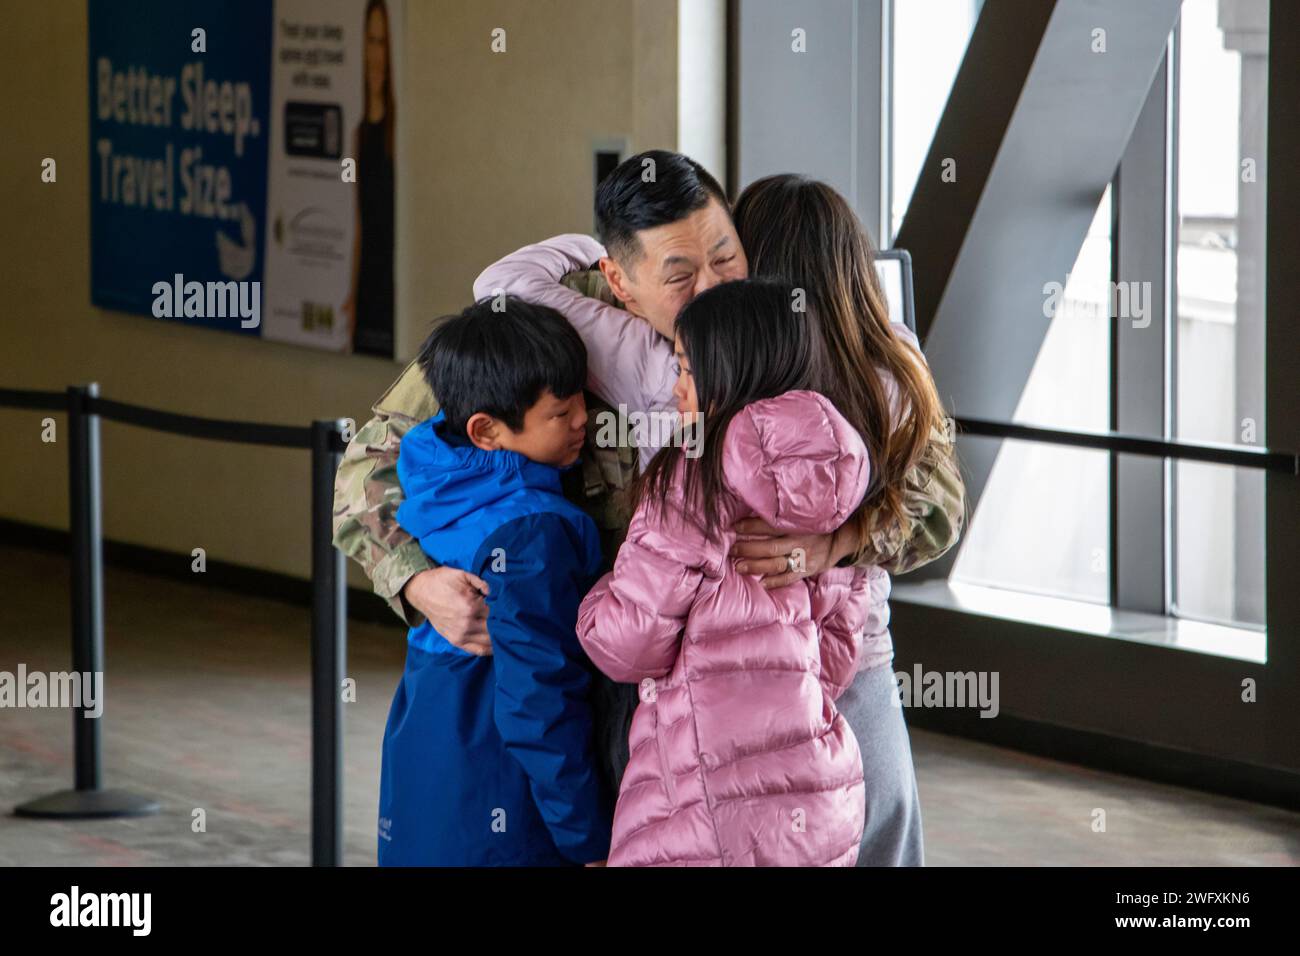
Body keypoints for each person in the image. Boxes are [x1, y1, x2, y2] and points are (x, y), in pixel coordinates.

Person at [577, 279, 872, 866]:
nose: (676, 386)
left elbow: (627, 645)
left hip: (702, 797)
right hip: (819, 798)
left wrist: (595, 596)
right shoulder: (835, 497)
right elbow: (837, 661)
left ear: (726, 373)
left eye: (686, 368)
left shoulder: (692, 476)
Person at [377, 297, 612, 866]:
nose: (584, 418)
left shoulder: (436, 479)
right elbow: (539, 704)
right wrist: (589, 840)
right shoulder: (533, 535)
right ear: (487, 430)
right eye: (560, 412)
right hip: (499, 797)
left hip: (424, 758)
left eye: (582, 396)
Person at [343, 0, 396, 357]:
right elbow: (359, 223)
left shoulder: (398, 131)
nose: (375, 53)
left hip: (392, 279)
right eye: (370, 41)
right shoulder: (359, 133)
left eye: (382, 42)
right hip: (367, 281)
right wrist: (351, 292)